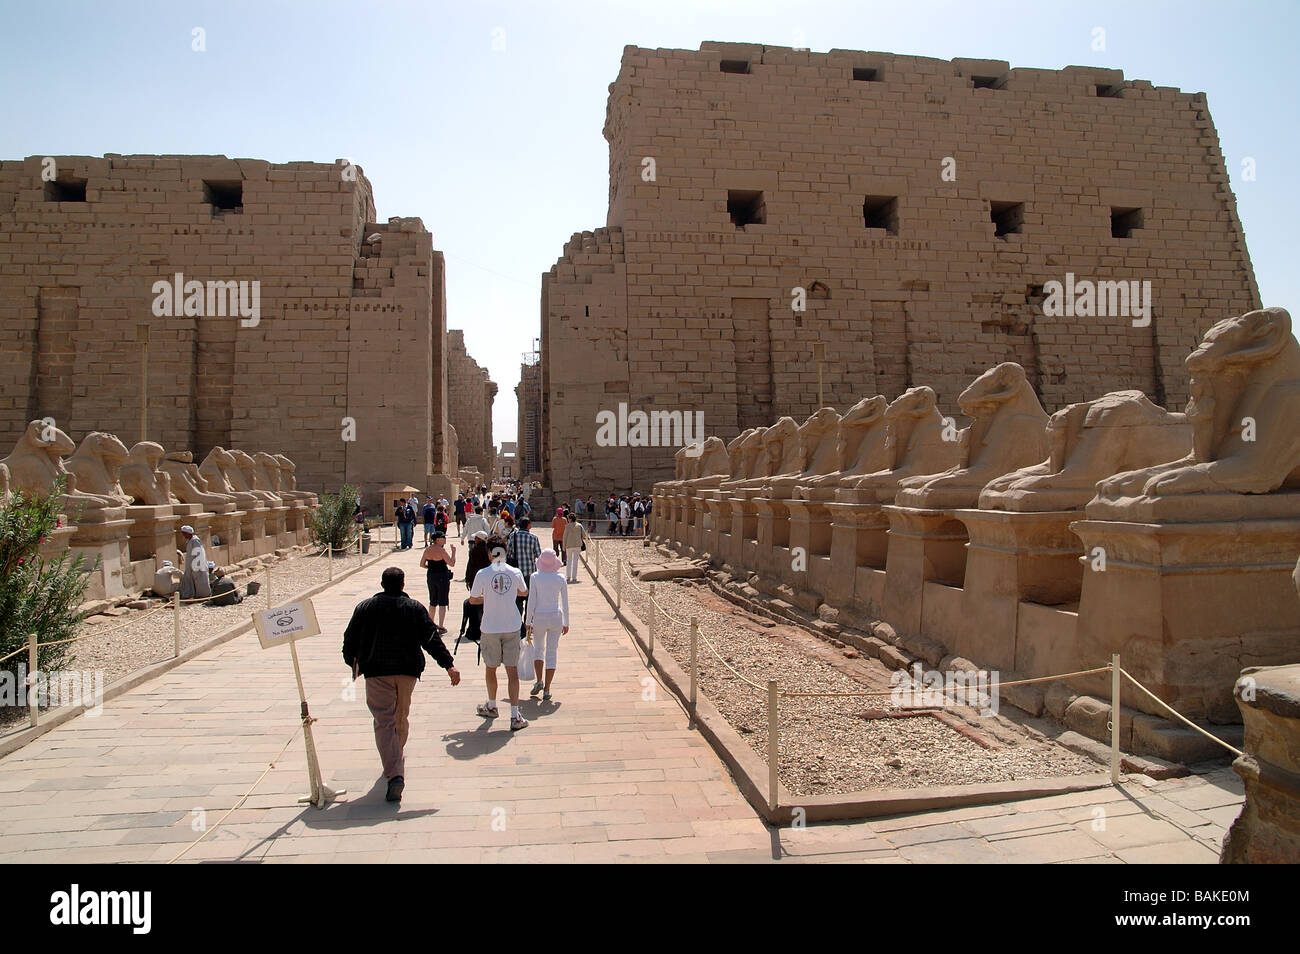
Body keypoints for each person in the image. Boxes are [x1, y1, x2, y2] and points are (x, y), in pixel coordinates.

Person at [342, 567, 461, 802]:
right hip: (407, 672)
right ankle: (395, 761)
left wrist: (353, 664)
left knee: (384, 722)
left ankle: (394, 771)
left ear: (382, 584)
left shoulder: (365, 608)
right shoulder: (414, 608)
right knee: (400, 717)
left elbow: (350, 640)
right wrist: (449, 665)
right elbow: (430, 638)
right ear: (403, 585)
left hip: (376, 672)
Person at [467, 536, 529, 731]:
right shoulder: (514, 571)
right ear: (505, 550)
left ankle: (492, 704)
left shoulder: (483, 574)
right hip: (511, 625)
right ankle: (514, 714)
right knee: (512, 672)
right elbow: (524, 592)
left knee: (491, 668)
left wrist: (489, 598)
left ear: (489, 553)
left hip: (490, 627)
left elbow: (473, 599)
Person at [525, 549, 569, 702]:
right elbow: (564, 602)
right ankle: (548, 689)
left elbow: (532, 600)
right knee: (552, 651)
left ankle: (539, 681)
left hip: (539, 616)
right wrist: (566, 622)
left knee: (539, 649)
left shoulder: (535, 577)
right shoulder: (560, 577)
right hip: (556, 616)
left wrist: (527, 621)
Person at [419, 530, 457, 630]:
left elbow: (422, 564)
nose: (445, 539)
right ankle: (440, 625)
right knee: (442, 602)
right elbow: (451, 563)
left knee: (432, 601)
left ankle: (431, 624)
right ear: (438, 540)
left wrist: (431, 568)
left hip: (431, 576)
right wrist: (453, 552)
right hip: (442, 577)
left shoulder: (428, 549)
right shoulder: (441, 550)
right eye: (443, 537)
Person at [178, 525, 211, 600]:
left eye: (184, 533)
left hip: (197, 565)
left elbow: (199, 554)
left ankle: (203, 596)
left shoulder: (195, 541)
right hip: (192, 565)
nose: (183, 535)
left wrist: (196, 566)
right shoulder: (190, 541)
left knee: (200, 581)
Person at [561, 513, 589, 583]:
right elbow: (584, 535)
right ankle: (574, 577)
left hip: (569, 545)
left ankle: (568, 576)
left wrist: (563, 546)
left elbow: (564, 537)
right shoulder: (579, 525)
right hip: (577, 545)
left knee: (569, 561)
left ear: (570, 519)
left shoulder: (567, 526)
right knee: (575, 562)